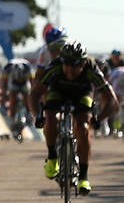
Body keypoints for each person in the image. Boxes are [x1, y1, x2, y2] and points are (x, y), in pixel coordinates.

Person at [35, 40, 118, 193]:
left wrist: (99, 117)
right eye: (67, 65)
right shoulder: (55, 67)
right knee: (51, 119)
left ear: (84, 63)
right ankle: (52, 157)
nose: (70, 71)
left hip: (82, 94)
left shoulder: (91, 69)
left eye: (75, 67)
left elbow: (113, 100)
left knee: (83, 128)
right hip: (58, 92)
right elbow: (35, 94)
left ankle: (84, 177)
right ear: (61, 62)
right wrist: (37, 116)